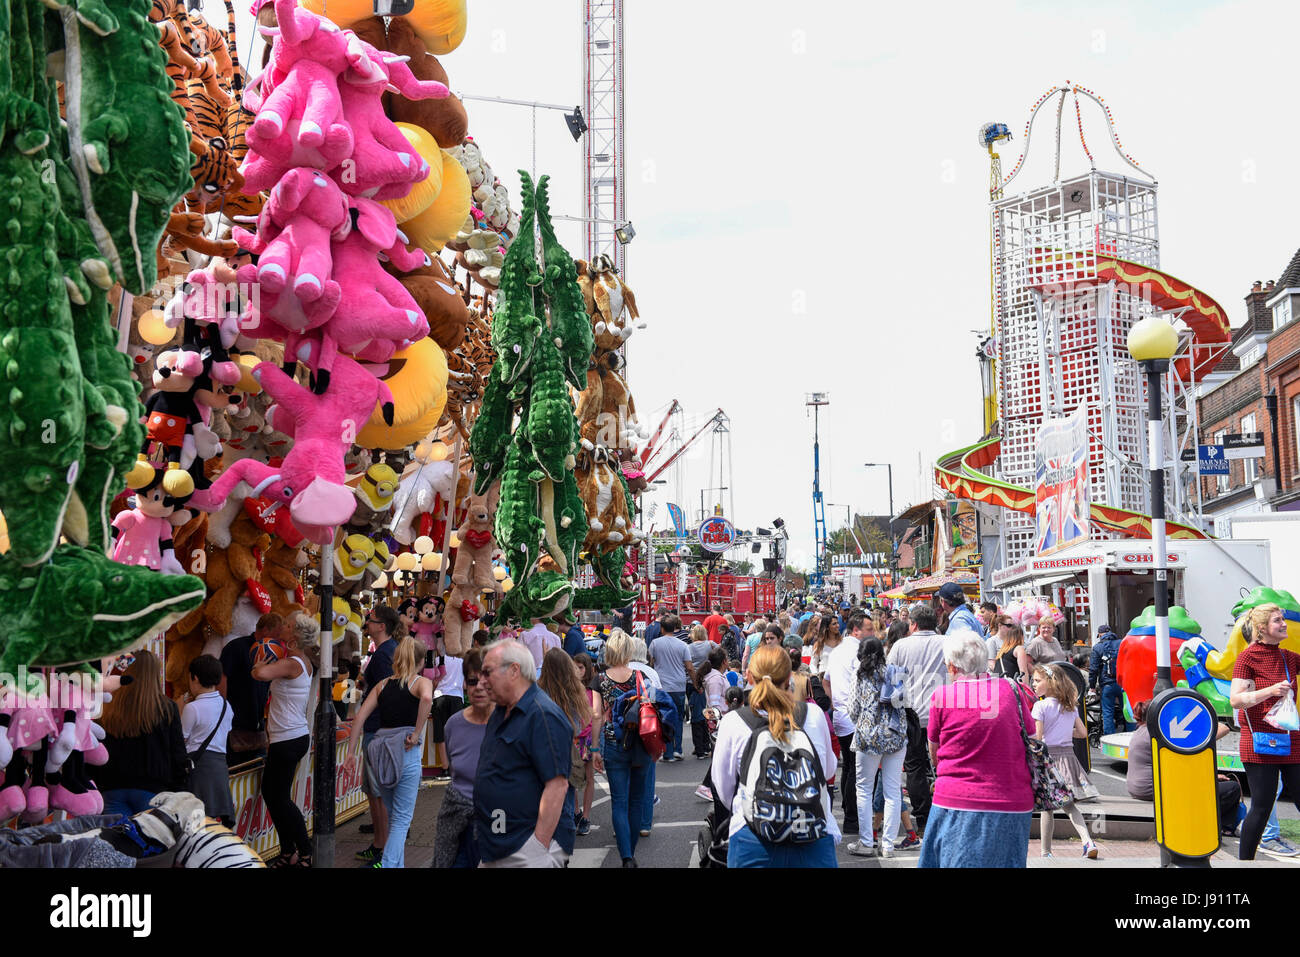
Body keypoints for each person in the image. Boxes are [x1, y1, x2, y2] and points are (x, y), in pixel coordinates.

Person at [711, 644, 839, 868]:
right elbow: (828, 771)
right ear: (790, 677)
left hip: (754, 839)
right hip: (812, 835)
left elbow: (723, 787)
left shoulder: (734, 722)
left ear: (749, 677)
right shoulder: (814, 715)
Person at [919, 632, 1036, 868]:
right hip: (1011, 800)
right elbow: (1032, 740)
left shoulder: (943, 696)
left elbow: (934, 751)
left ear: (952, 667)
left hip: (957, 800)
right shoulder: (1012, 690)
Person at [474, 640, 575, 867]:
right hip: (501, 843)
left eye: (487, 672)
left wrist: (537, 847)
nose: (482, 681)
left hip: (527, 847)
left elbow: (557, 786)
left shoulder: (542, 715)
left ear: (514, 670)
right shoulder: (501, 712)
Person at [345, 635, 433, 868]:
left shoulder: (381, 685)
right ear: (421, 661)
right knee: (402, 818)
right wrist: (416, 732)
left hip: (381, 751)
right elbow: (426, 699)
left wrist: (351, 753)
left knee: (396, 816)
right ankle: (388, 864)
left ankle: (395, 864)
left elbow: (358, 718)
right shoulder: (421, 682)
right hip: (405, 749)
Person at [1230, 603, 1300, 860]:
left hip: (1290, 739)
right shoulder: (1248, 657)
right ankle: (1245, 862)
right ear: (1262, 628)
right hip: (1259, 741)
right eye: (1277, 620)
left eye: (1282, 619)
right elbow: (1236, 700)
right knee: (1261, 806)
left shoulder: (1289, 657)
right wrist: (1269, 691)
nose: (1283, 624)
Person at [251, 612, 319, 867]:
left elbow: (260, 674)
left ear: (296, 635)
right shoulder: (300, 660)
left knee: (278, 797)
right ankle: (288, 849)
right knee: (273, 794)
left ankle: (304, 850)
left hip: (288, 738)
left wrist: (258, 662)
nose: (284, 627)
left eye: (288, 625)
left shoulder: (293, 662)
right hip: (289, 736)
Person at [1126, 700, 1244, 839]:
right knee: (1232, 788)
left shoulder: (1142, 731)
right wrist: (1206, 711)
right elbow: (1223, 729)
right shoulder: (1159, 734)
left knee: (1217, 785)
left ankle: (1223, 826)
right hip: (1152, 789)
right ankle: (1219, 826)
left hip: (1138, 787)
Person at [95, 651, 187, 819]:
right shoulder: (166, 708)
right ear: (154, 674)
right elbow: (178, 754)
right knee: (147, 843)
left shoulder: (108, 705)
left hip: (111, 786)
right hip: (153, 789)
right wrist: (178, 789)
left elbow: (95, 747)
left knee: (115, 842)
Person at [887, 601, 950, 833]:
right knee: (944, 763)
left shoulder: (900, 647)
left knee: (914, 766)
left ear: (912, 625)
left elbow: (892, 683)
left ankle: (923, 819)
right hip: (943, 712)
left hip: (910, 713)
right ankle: (945, 810)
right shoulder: (947, 643)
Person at [846, 636, 908, 858]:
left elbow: (852, 709)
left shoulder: (860, 675)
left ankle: (866, 842)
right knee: (893, 791)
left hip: (868, 734)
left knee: (864, 788)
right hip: (895, 734)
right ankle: (888, 845)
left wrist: (864, 721)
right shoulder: (895, 671)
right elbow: (903, 703)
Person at [1030, 664, 1101, 859]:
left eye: (1037, 680)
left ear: (1050, 682)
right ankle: (1088, 841)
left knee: (1048, 807)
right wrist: (1063, 732)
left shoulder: (1040, 706)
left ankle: (1046, 852)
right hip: (1068, 757)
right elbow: (1083, 733)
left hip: (1049, 761)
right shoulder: (1069, 706)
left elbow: (1037, 738)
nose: (1033, 684)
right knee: (1069, 805)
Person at [594, 630, 651, 867]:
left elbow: (596, 714)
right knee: (636, 800)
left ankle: (626, 856)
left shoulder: (600, 678)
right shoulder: (639, 675)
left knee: (618, 801)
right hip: (639, 743)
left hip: (614, 742)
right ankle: (632, 852)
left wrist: (595, 747)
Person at [355, 604, 400, 864]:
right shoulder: (384, 651)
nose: (367, 624)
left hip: (378, 728)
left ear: (381, 626)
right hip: (377, 727)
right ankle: (379, 843)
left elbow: (384, 691)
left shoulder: (384, 654)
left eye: (370, 620)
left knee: (378, 792)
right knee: (374, 791)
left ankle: (383, 848)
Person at [537, 647, 594, 837]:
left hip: (541, 756)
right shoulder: (576, 692)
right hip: (566, 754)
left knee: (544, 805)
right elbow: (579, 725)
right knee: (567, 802)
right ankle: (564, 847)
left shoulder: (537, 692)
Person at [823, 611, 867, 836]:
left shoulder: (839, 650)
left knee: (850, 767)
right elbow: (862, 684)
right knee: (856, 770)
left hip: (842, 716)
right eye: (869, 629)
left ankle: (850, 815)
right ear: (856, 630)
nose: (873, 633)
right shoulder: (856, 650)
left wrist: (835, 702)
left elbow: (826, 680)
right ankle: (852, 818)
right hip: (853, 718)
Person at [180, 654, 235, 826]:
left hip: (199, 769)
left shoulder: (192, 708)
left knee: (197, 821)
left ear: (194, 678)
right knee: (215, 820)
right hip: (219, 767)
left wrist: (179, 707)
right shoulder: (227, 706)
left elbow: (182, 740)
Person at [220, 613, 277, 766]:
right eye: (276, 635)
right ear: (265, 630)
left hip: (257, 727)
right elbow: (222, 679)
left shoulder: (272, 653)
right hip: (235, 727)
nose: (278, 640)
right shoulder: (236, 647)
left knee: (256, 775)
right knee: (236, 774)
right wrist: (224, 713)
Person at [647, 614, 690, 761]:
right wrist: (696, 682)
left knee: (663, 718)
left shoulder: (655, 643)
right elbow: (689, 667)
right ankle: (678, 749)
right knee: (678, 718)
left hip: (661, 686)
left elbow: (650, 662)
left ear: (662, 628)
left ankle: (667, 751)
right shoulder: (683, 645)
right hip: (679, 685)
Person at [572, 654, 603, 835]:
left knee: (590, 778)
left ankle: (586, 816)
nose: (578, 671)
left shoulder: (593, 690)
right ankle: (576, 812)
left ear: (588, 669)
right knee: (573, 779)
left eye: (581, 667)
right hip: (574, 738)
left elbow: (599, 715)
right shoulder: (568, 689)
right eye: (575, 667)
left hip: (589, 738)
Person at [1088, 625, 1129, 735]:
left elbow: (1093, 669)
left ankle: (1109, 739)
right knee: (1128, 711)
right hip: (1123, 684)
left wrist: (1092, 686)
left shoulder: (1098, 647)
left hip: (1107, 685)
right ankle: (1132, 736)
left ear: (1100, 635)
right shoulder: (1122, 643)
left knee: (1108, 713)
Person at [685, 624, 712, 758]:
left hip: (691, 683)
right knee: (704, 714)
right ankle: (705, 745)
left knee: (696, 715)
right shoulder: (710, 645)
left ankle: (700, 748)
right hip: (706, 682)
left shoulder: (688, 648)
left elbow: (687, 665)